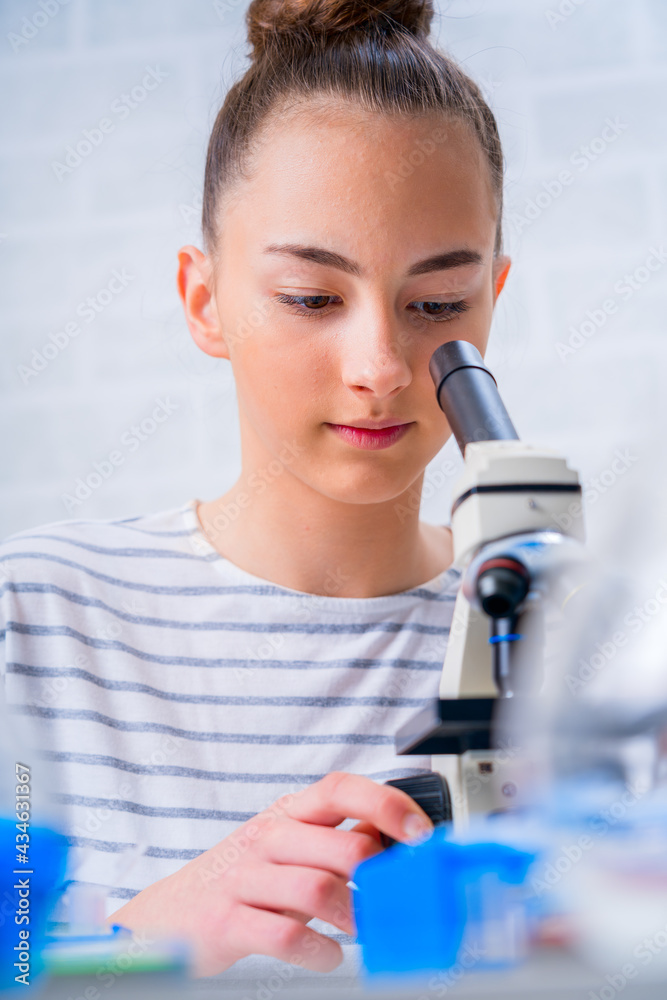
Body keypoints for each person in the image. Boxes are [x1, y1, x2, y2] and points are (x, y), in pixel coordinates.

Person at [0, 0, 511, 984]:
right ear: (205, 300)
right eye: (312, 297)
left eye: (438, 304)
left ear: (493, 297)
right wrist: (139, 940)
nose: (382, 367)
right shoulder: (35, 617)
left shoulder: (564, 633)